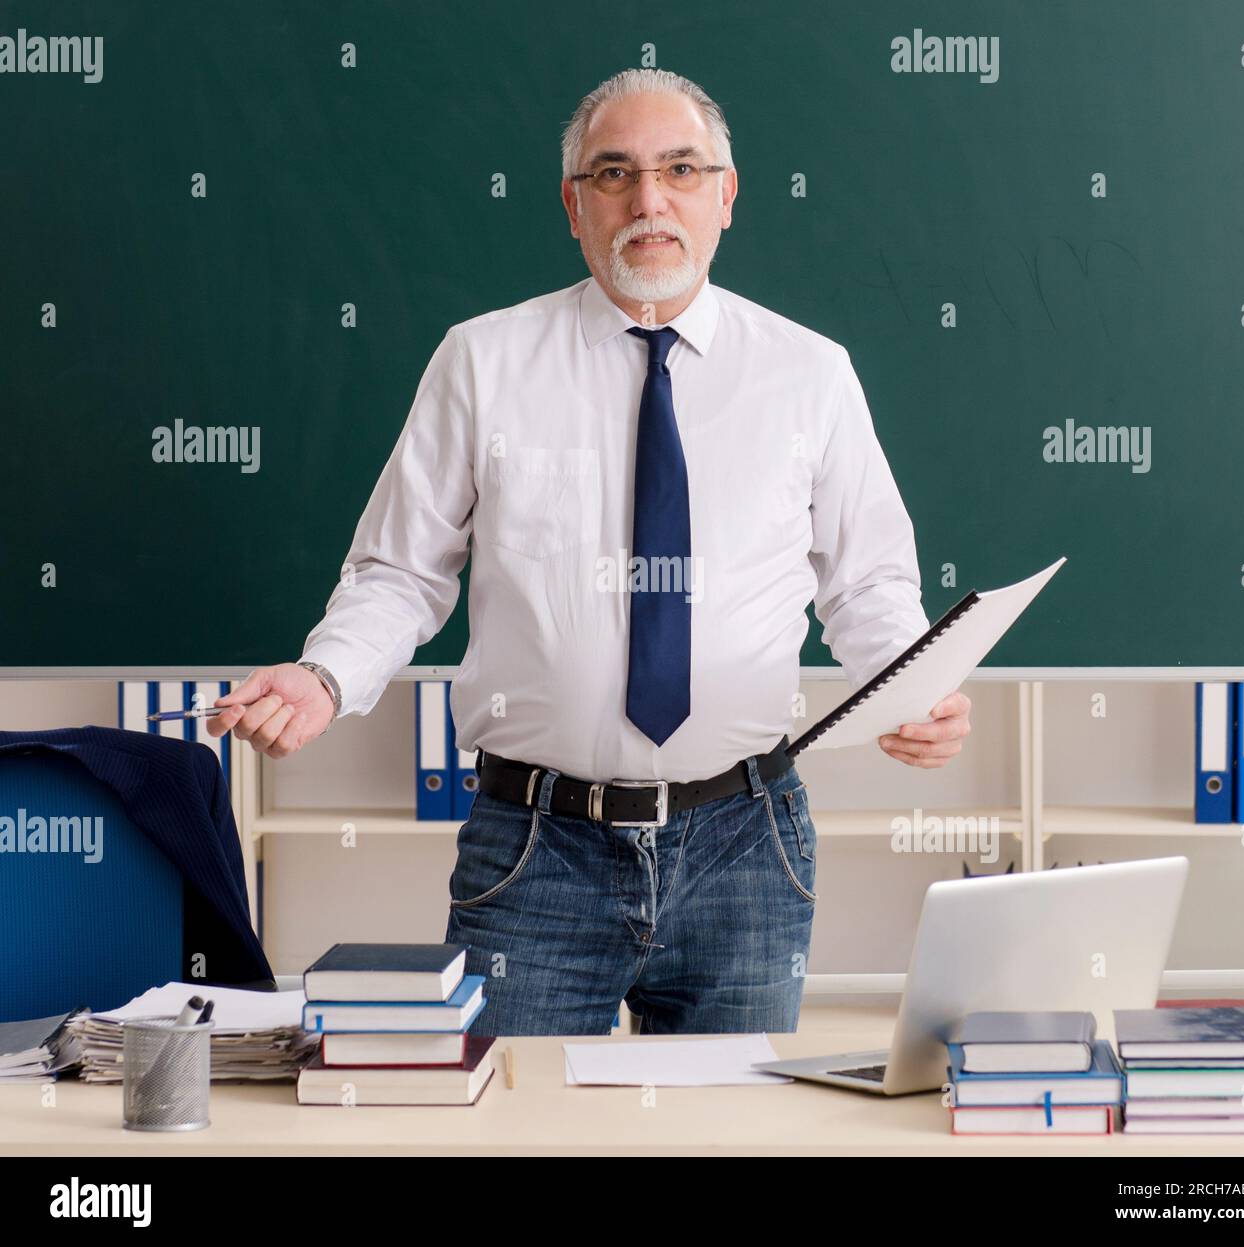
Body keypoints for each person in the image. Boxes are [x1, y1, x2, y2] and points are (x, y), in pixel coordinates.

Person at [209, 67, 972, 1035]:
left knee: (728, 1140)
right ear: (573, 207)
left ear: (725, 195)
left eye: (680, 169)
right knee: (514, 1131)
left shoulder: (810, 375)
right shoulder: (482, 361)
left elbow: (868, 582)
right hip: (535, 849)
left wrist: (907, 687)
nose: (648, 198)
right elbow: (400, 573)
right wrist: (325, 676)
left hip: (747, 847)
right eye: (614, 173)